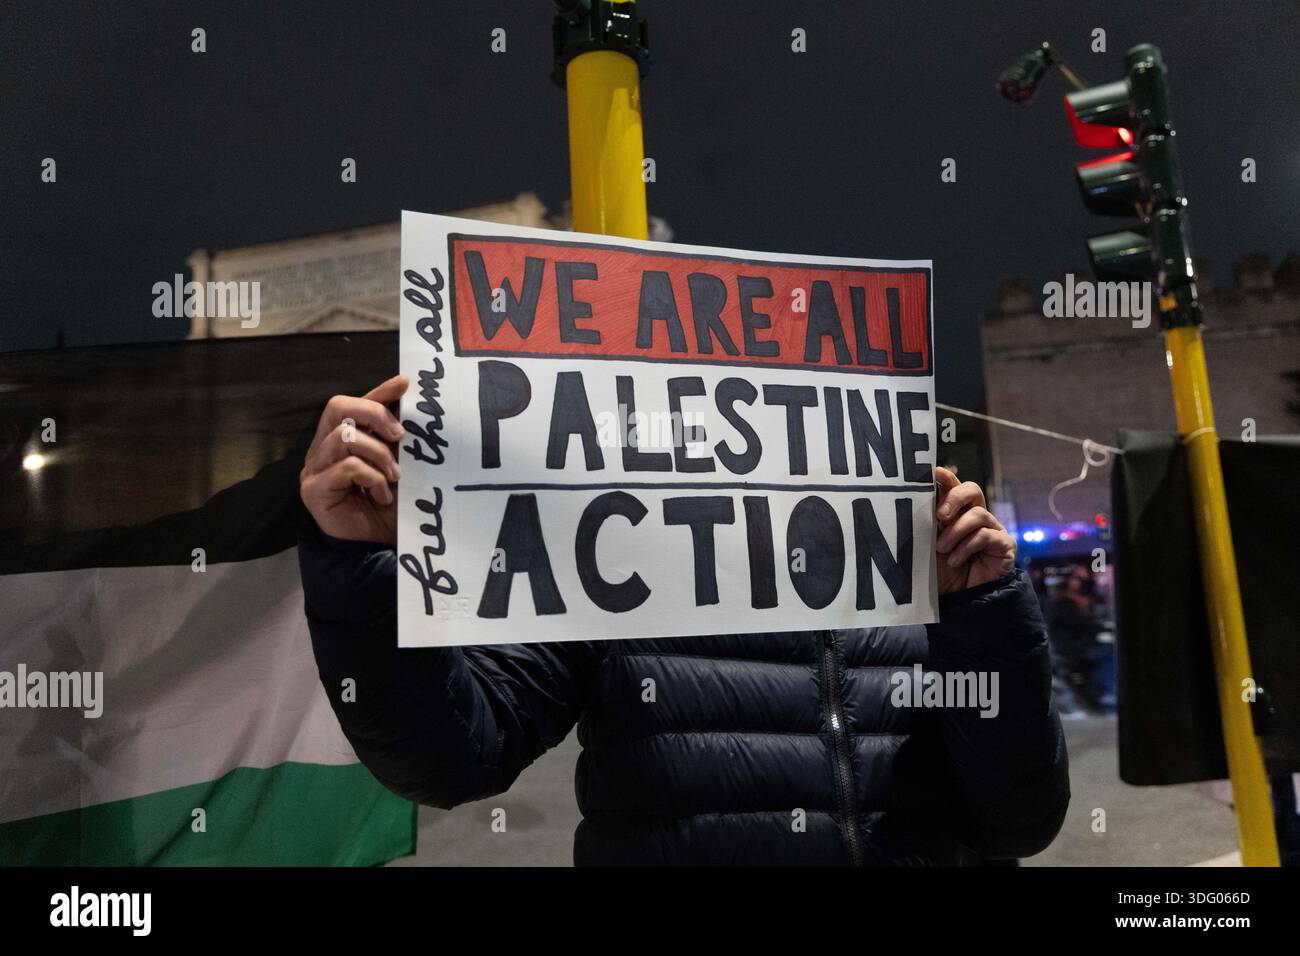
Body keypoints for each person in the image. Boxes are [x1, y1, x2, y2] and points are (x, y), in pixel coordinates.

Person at [297, 375, 1069, 865]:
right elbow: (448, 760)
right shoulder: (608, 574)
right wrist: (363, 567)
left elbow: (1020, 823)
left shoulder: (927, 575)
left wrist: (982, 609)